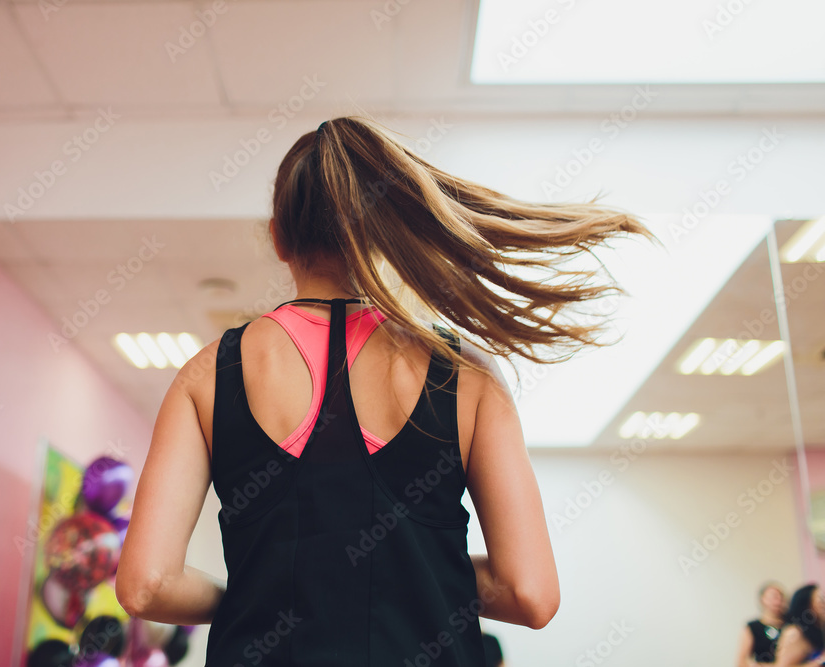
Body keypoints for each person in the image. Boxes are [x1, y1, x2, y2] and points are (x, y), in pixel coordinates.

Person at [114, 115, 658, 665]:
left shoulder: (206, 376)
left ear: (279, 237)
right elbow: (531, 593)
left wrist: (265, 587)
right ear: (383, 234)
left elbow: (146, 585)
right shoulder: (467, 377)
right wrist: (410, 563)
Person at [765, 583, 825, 666]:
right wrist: (819, 662)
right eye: (820, 601)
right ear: (807, 606)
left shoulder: (819, 629)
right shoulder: (794, 633)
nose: (823, 605)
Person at [737, 582, 787, 666]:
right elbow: (742, 660)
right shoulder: (753, 627)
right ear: (762, 599)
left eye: (780, 597)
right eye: (774, 597)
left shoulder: (791, 625)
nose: (778, 601)